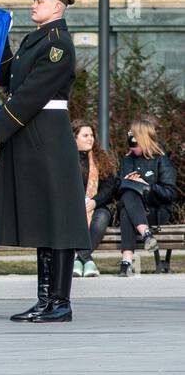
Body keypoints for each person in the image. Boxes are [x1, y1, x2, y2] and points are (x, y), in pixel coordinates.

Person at [0, 0, 88, 323]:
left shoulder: (58, 45)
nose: (33, 4)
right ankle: (45, 300)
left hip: (47, 139)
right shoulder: (35, 39)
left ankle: (60, 302)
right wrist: (1, 38)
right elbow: (10, 78)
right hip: (34, 137)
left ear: (57, 6)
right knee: (45, 220)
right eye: (33, 0)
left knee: (59, 221)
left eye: (39, 1)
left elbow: (32, 94)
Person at [111, 118, 178, 276]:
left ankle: (126, 262)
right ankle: (147, 235)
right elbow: (117, 190)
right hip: (135, 209)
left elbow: (170, 194)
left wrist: (145, 186)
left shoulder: (161, 160)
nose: (131, 147)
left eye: (135, 143)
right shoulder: (127, 160)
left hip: (156, 210)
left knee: (127, 208)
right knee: (128, 197)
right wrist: (127, 183)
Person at [72, 120, 116, 277]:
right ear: (74, 138)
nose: (90, 138)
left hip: (97, 205)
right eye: (85, 135)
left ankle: (79, 259)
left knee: (102, 217)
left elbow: (109, 186)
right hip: (72, 207)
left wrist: (95, 201)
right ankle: (88, 262)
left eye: (91, 135)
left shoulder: (100, 158)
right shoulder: (65, 159)